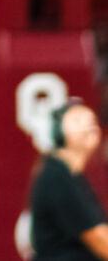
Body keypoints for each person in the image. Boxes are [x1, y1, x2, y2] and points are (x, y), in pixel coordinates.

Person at [29, 101, 108, 261]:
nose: (89, 125)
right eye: (78, 120)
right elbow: (100, 240)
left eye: (92, 121)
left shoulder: (71, 176)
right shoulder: (57, 176)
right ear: (57, 131)